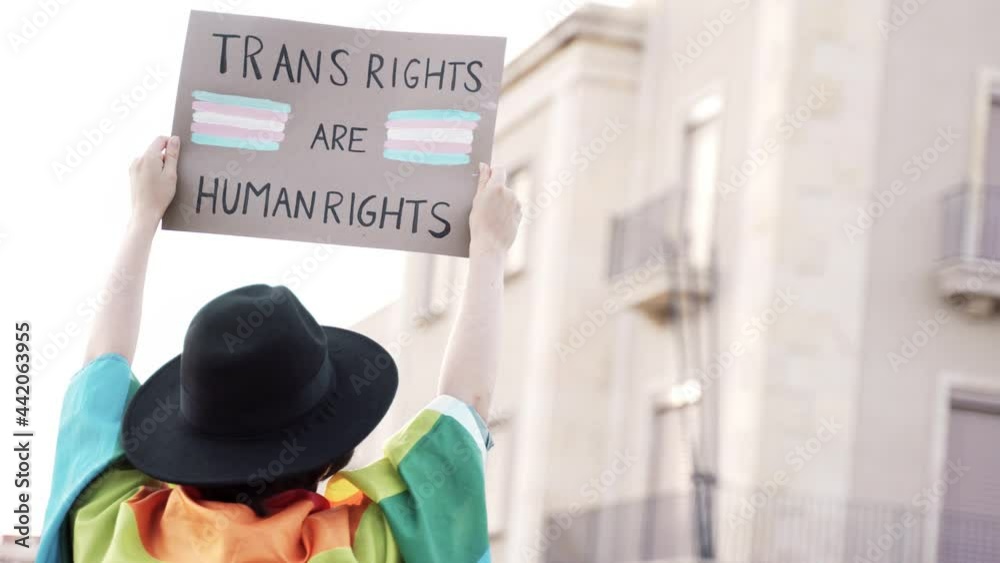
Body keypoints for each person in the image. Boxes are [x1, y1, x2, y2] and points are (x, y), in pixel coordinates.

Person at [37, 135, 523, 562]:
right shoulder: (365, 547)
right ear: (332, 450)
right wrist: (490, 249)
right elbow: (465, 407)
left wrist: (142, 216)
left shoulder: (109, 526)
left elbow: (101, 367)